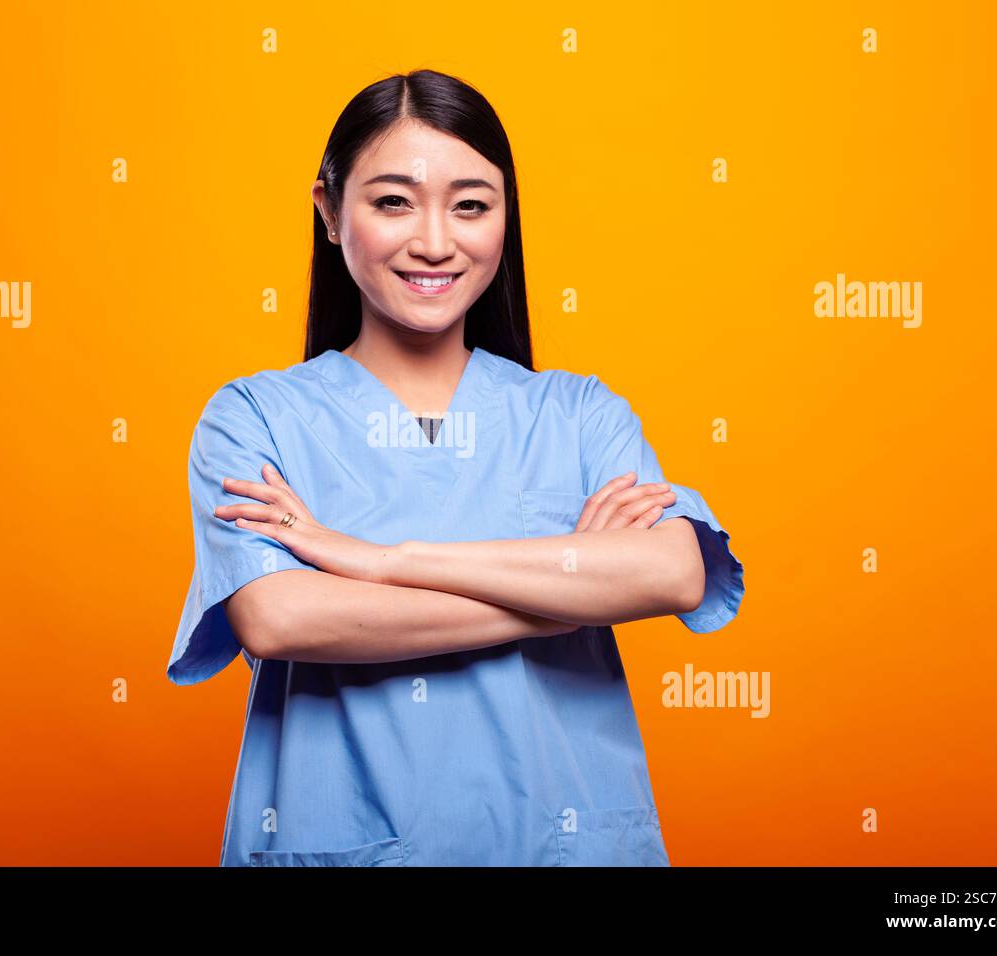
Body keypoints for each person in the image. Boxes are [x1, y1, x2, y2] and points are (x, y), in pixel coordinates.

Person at [166, 69, 744, 866]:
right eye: (393, 201)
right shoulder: (256, 417)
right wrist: (563, 599)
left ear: (506, 218)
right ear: (330, 212)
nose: (435, 241)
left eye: (471, 204)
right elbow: (279, 619)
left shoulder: (577, 414)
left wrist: (384, 562)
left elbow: (675, 572)